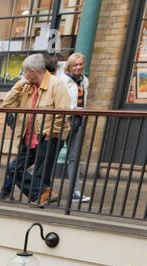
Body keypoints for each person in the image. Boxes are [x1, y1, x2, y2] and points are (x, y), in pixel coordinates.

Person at [0, 53, 70, 206]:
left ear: (34, 71)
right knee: (15, 168)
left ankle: (40, 200)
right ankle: (45, 193)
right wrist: (18, 85)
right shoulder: (26, 87)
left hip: (47, 136)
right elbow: (7, 103)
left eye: (25, 71)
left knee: (41, 174)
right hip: (28, 137)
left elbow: (63, 111)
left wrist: (51, 133)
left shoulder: (55, 84)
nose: (23, 75)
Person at [60, 52, 91, 203]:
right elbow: (59, 102)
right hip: (63, 121)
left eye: (80, 64)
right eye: (75, 65)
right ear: (70, 66)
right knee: (49, 154)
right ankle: (40, 188)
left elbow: (83, 99)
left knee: (74, 157)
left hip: (78, 122)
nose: (78, 67)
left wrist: (83, 111)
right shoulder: (63, 81)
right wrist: (73, 108)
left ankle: (75, 191)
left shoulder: (84, 81)